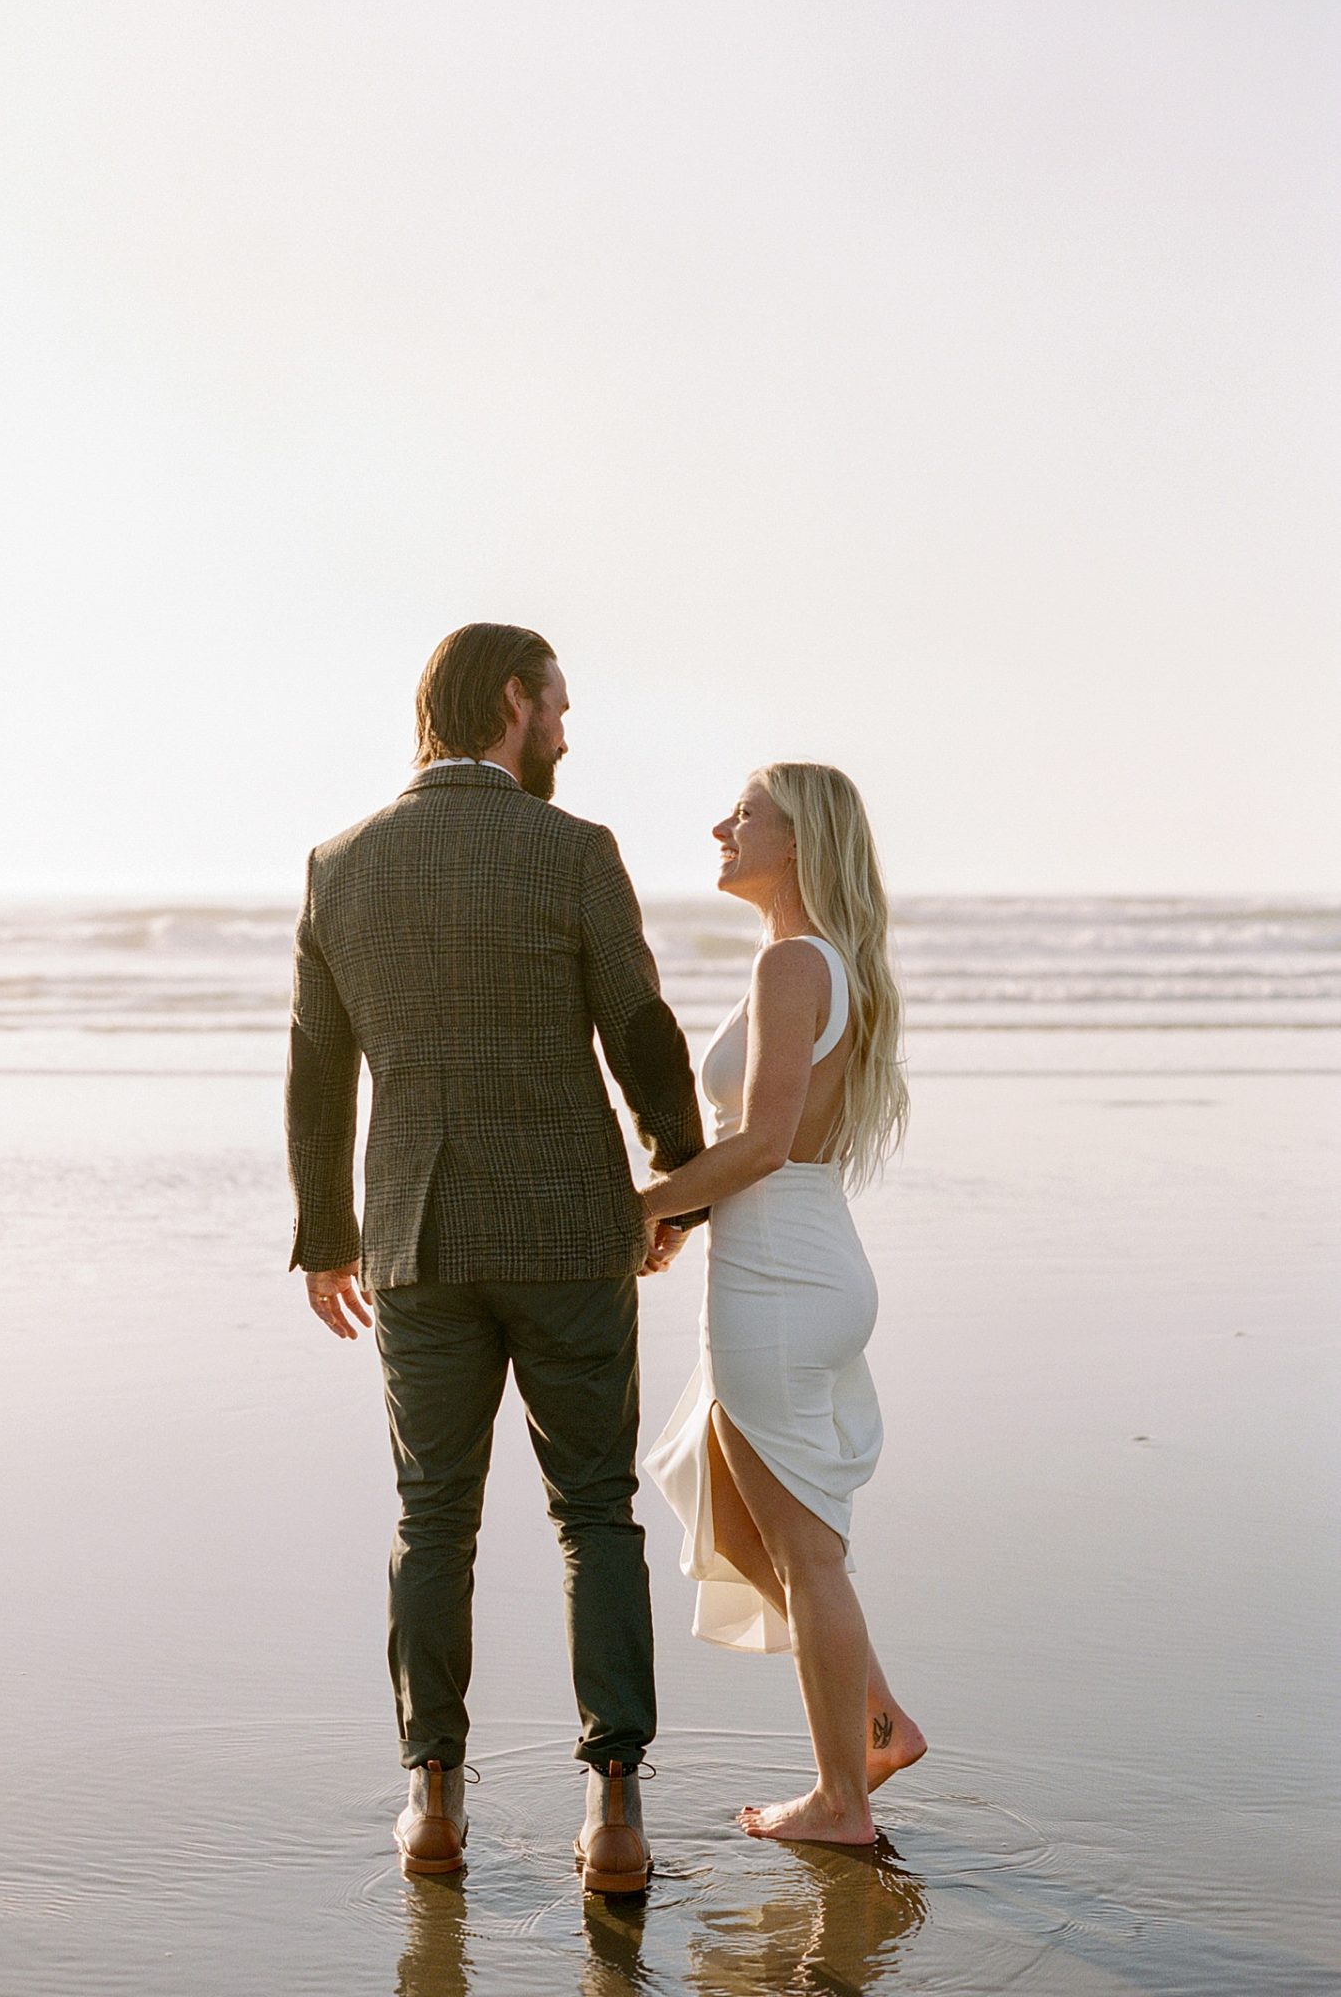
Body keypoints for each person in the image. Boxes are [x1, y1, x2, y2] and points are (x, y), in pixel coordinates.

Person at [285, 623, 706, 1894]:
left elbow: (317, 1068)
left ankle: (433, 1803)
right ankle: (614, 1811)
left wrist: (324, 1235)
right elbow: (638, 1024)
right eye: (560, 707)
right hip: (570, 1231)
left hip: (414, 1236)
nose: (568, 732)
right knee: (594, 1511)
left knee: (432, 1517)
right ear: (511, 700)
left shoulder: (340, 863)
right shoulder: (571, 851)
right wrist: (674, 1176)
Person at [643, 761, 926, 1845]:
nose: (721, 824)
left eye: (745, 813)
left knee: (807, 1551)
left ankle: (841, 1797)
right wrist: (682, 1210)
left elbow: (758, 1145)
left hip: (777, 1280)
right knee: (718, 1484)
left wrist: (643, 1207)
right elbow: (766, 1149)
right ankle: (877, 1719)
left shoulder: (791, 965)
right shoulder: (818, 962)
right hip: (795, 1260)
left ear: (798, 839)